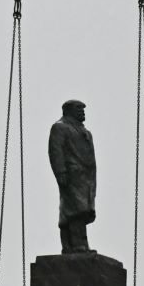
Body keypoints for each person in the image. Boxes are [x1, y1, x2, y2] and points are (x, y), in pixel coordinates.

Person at [48, 100, 97, 254]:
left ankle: (78, 244)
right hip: (72, 175)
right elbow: (56, 151)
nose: (82, 111)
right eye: (79, 108)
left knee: (82, 210)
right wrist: (61, 172)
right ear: (68, 110)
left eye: (83, 108)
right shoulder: (60, 127)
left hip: (86, 178)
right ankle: (76, 245)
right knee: (75, 211)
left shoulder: (85, 132)